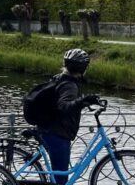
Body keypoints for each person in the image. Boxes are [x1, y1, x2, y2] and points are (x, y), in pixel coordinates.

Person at [37, 49, 99, 185]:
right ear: (83, 68)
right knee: (61, 179)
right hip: (57, 134)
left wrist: (82, 101)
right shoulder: (70, 85)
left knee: (57, 175)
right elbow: (63, 106)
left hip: (48, 129)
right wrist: (83, 101)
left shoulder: (59, 78)